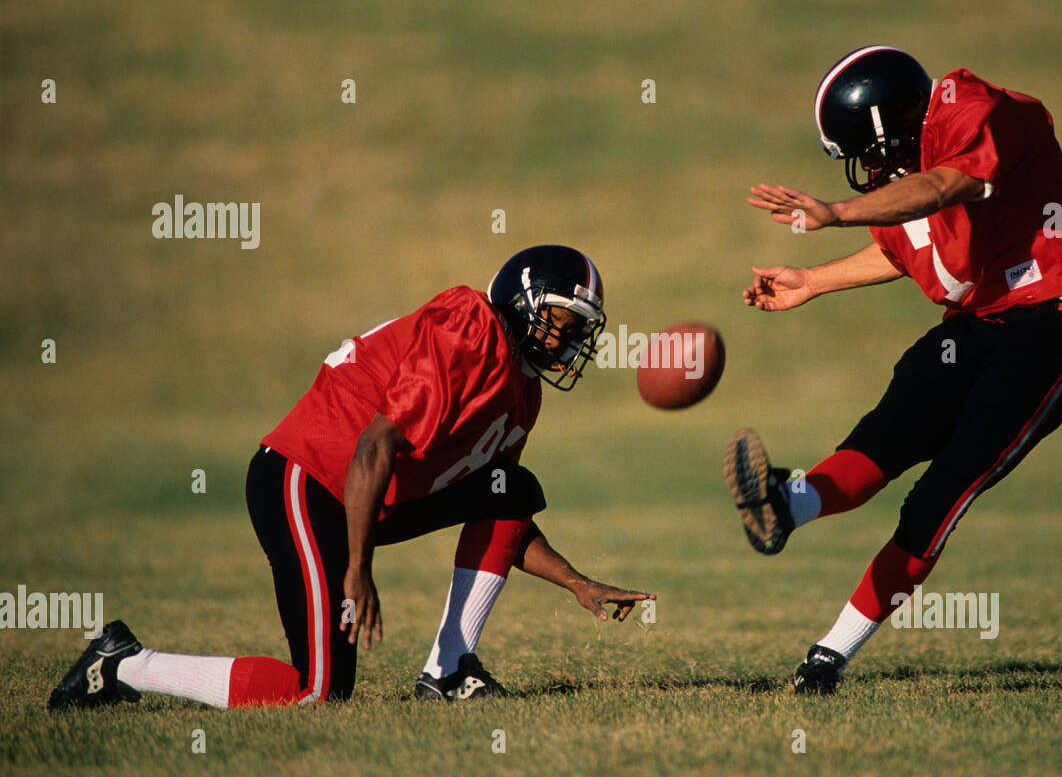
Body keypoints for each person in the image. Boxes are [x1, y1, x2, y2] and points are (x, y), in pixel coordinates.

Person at [49, 245, 654, 709]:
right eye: (563, 320)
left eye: (581, 328)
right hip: (305, 480)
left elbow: (503, 516)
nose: (572, 339)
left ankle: (448, 668)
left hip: (366, 500)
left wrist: (577, 582)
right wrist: (357, 569)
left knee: (512, 488)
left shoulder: (523, 392)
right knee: (317, 693)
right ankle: (125, 663)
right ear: (524, 304)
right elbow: (373, 446)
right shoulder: (468, 327)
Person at [726, 45, 1062, 694]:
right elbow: (903, 244)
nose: (870, 170)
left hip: (1055, 316)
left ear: (897, 126)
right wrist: (814, 281)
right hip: (976, 323)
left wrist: (836, 213)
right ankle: (785, 504)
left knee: (941, 490)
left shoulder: (972, 111)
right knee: (883, 439)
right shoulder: (906, 181)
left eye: (871, 152)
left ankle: (827, 658)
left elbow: (948, 185)